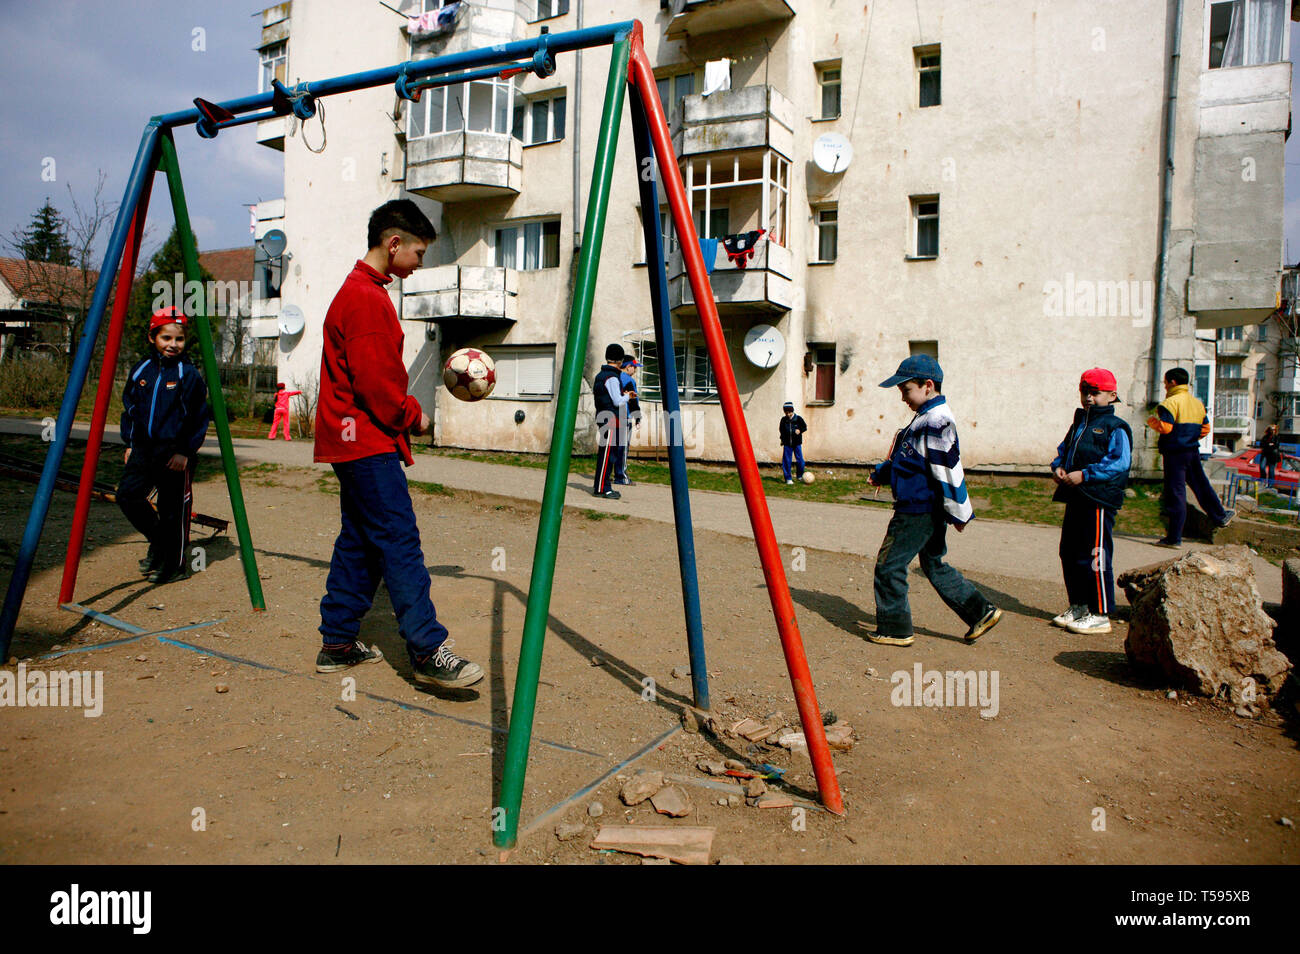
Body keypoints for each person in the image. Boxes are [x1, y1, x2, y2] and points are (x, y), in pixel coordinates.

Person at [313, 199, 483, 689]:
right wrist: (416, 417)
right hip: (365, 441)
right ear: (393, 244)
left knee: (361, 542)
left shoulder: (359, 291)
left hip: (352, 440)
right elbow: (378, 389)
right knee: (399, 540)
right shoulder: (366, 299)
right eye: (419, 253)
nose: (419, 264)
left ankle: (338, 642)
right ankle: (428, 651)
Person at [866, 354, 1001, 646]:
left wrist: (959, 512)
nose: (903, 398)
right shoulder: (924, 419)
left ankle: (894, 628)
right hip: (923, 507)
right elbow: (910, 461)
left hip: (917, 510)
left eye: (906, 390)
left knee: (889, 566)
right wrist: (881, 473)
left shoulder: (937, 421)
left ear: (928, 385)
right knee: (934, 563)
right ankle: (981, 612)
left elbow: (948, 470)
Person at [118, 307, 211, 585]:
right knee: (128, 496)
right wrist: (131, 443)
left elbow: (197, 416)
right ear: (152, 337)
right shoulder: (141, 370)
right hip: (144, 449)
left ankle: (174, 563)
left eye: (179, 339)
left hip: (175, 453)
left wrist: (185, 450)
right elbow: (130, 408)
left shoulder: (187, 373)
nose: (173, 345)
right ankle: (159, 543)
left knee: (172, 509)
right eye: (166, 338)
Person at [1050, 368, 1132, 635]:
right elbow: (1064, 451)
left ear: (1112, 395)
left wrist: (1085, 474)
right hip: (1076, 496)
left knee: (1095, 555)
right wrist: (1059, 467)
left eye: (1095, 393)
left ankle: (1100, 613)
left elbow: (1119, 462)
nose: (1089, 398)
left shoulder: (1115, 427)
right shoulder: (1079, 423)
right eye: (1085, 392)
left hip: (1098, 498)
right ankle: (1079, 606)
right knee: (1069, 552)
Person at [1146, 367, 1234, 548]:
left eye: (1165, 382)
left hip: (1174, 453)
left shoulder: (1169, 403)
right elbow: (1206, 429)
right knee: (1201, 485)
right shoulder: (1197, 403)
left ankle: (1173, 538)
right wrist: (1190, 438)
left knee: (1176, 493)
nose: (1164, 386)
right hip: (1192, 451)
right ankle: (1220, 516)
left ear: (1172, 382)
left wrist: (1152, 422)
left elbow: (1167, 428)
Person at [592, 343, 629, 499]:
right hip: (611, 420)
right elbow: (617, 401)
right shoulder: (611, 377)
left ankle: (602, 486)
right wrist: (628, 396)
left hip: (604, 417)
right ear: (620, 361)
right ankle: (603, 488)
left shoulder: (601, 375)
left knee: (607, 454)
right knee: (608, 455)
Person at [614, 356, 641, 486]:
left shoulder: (616, 378)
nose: (635, 370)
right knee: (623, 448)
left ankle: (609, 474)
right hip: (626, 417)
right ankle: (621, 476)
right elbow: (633, 400)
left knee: (614, 447)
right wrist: (638, 417)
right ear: (628, 366)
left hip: (614, 416)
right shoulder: (629, 380)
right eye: (634, 367)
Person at [779, 401, 808, 484]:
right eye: (786, 412)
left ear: (793, 411)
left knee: (800, 461)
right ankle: (788, 478)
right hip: (787, 444)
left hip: (797, 443)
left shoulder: (798, 419)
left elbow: (804, 427)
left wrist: (800, 430)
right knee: (787, 461)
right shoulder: (783, 420)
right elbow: (781, 430)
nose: (788, 414)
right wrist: (782, 440)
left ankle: (799, 476)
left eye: (790, 412)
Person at [1259, 424, 1281, 488]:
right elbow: (1261, 445)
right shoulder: (1265, 437)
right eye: (1271, 429)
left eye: (1274, 429)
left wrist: (1268, 445)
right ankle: (1262, 480)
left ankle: (1270, 485)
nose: (1272, 431)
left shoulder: (1277, 437)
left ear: (1275, 430)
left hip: (1272, 455)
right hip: (1265, 454)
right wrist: (1269, 444)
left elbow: (1276, 445)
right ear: (1269, 430)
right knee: (1262, 467)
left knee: (1271, 470)